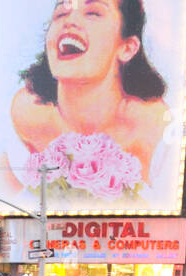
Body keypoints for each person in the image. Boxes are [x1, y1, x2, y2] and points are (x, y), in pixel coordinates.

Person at [12, 0, 168, 185]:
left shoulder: (155, 125)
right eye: (61, 13)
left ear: (127, 48)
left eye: (93, 13)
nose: (70, 22)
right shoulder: (27, 114)